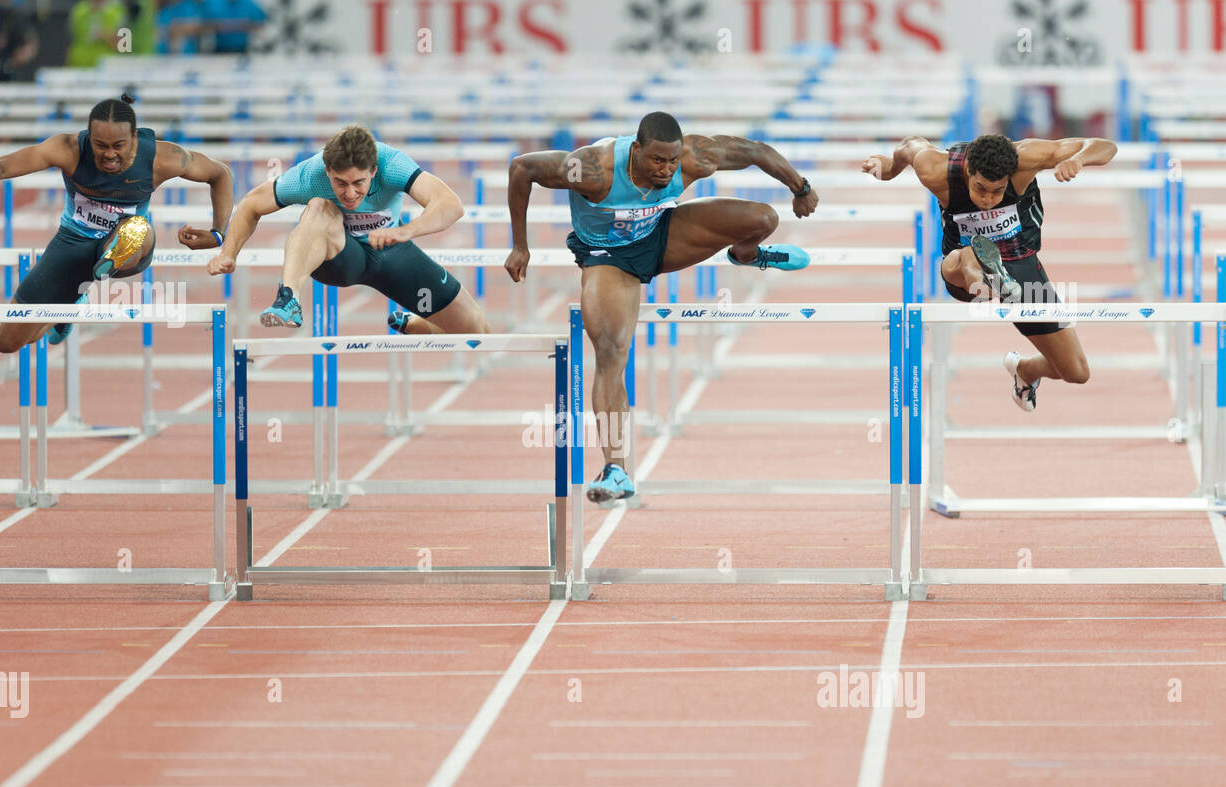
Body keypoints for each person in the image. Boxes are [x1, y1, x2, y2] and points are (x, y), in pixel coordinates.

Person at [506, 111, 819, 502]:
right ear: (636, 150)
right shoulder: (592, 170)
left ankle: (746, 254)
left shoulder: (694, 157)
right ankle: (615, 468)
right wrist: (520, 244)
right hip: (608, 256)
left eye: (671, 162)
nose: (665, 170)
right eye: (656, 161)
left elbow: (753, 150)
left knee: (762, 217)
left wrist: (800, 186)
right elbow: (522, 168)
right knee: (611, 350)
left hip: (660, 235)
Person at [864, 132, 1117, 411]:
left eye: (998, 191)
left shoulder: (1027, 158)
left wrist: (1079, 160)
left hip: (1020, 263)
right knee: (966, 256)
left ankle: (1025, 370)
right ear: (969, 171)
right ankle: (983, 283)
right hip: (960, 266)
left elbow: (1105, 147)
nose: (987, 199)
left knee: (1076, 372)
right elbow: (908, 147)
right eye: (980, 188)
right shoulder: (935, 168)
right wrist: (889, 168)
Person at [0, 94, 234, 353]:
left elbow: (220, 173)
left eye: (118, 145)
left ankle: (109, 259)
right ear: (88, 137)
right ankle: (68, 307)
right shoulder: (68, 149)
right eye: (100, 145)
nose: (109, 154)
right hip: (72, 243)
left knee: (134, 230)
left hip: (130, 246)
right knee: (7, 343)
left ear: (134, 137)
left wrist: (218, 233)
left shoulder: (162, 158)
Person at [208, 124, 488, 335]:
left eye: (359, 183)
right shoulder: (311, 174)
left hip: (392, 251)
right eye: (340, 183)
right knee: (319, 206)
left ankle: (419, 325)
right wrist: (228, 252)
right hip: (340, 257)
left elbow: (451, 205)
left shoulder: (392, 163)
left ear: (375, 171)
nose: (351, 193)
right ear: (328, 170)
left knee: (479, 332)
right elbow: (251, 204)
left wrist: (406, 231)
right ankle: (289, 298)